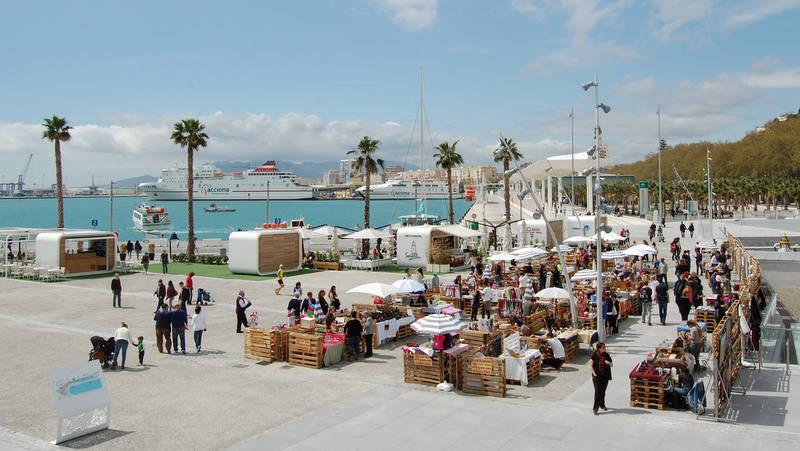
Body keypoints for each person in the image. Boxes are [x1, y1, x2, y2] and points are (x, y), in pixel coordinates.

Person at [590, 342, 613, 415]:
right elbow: (591, 365)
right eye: (603, 347)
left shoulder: (606, 355)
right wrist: (594, 374)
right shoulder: (595, 355)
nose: (605, 348)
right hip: (597, 377)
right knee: (597, 392)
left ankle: (602, 405)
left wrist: (608, 363)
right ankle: (595, 408)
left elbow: (612, 364)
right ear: (599, 348)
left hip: (605, 376)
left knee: (603, 391)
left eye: (605, 347)